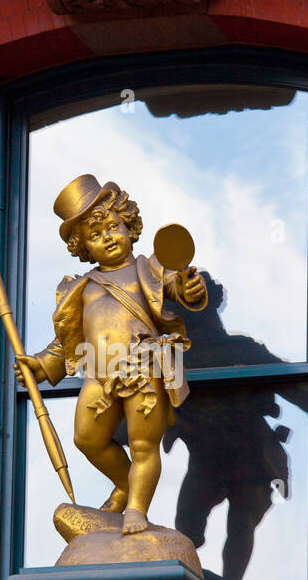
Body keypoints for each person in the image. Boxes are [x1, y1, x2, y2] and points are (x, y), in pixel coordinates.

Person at [14, 174, 206, 535]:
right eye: (95, 235)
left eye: (113, 226)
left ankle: (136, 509)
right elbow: (67, 340)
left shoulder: (148, 269)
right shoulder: (81, 288)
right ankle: (126, 483)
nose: (107, 237)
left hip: (143, 367)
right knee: (86, 438)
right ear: (83, 247)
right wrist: (41, 364)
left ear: (129, 225)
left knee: (144, 444)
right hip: (98, 373)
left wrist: (189, 287)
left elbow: (179, 286)